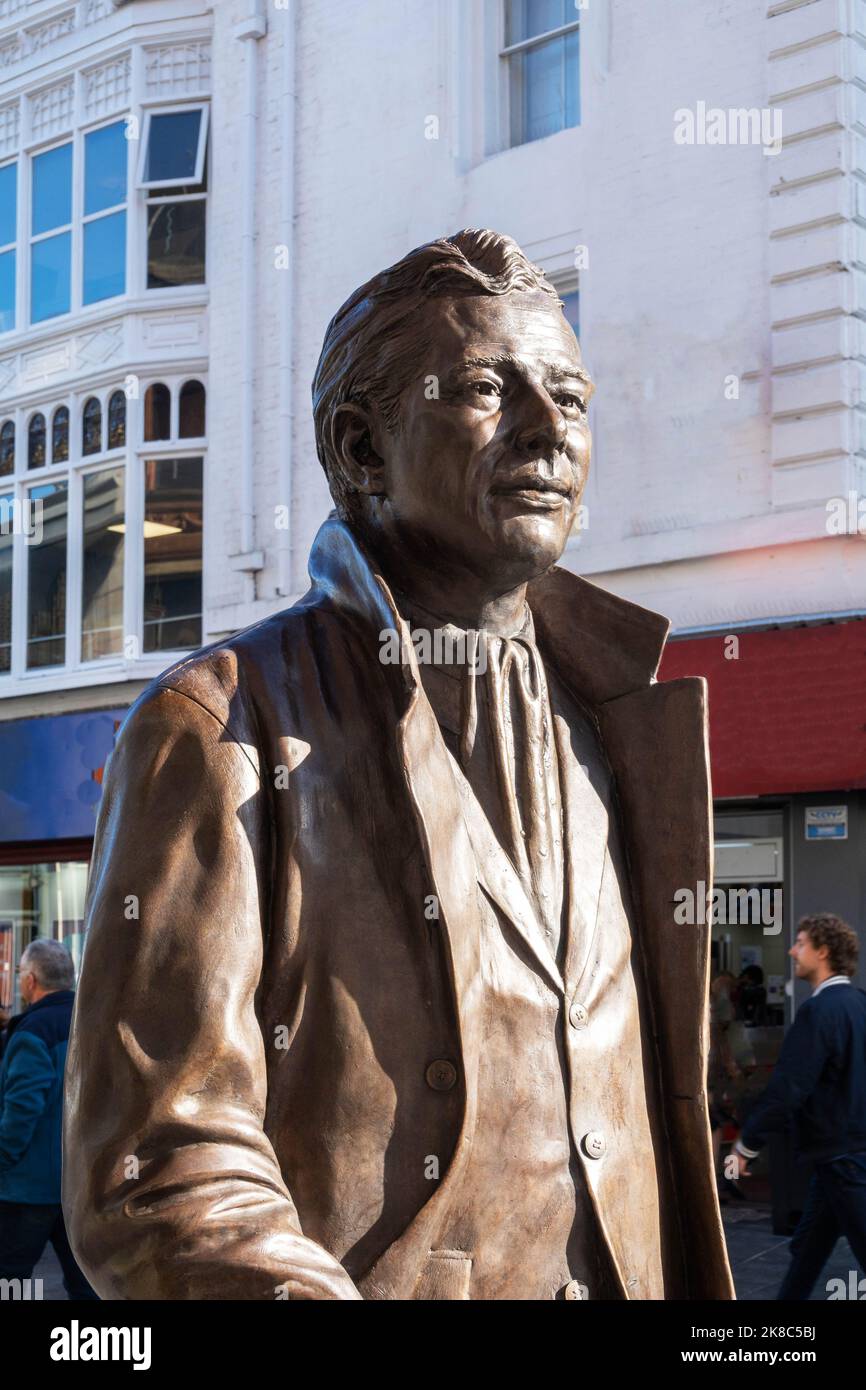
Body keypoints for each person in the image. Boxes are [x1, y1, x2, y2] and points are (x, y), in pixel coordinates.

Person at [64, 229, 734, 1301]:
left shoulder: (619, 721)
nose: (548, 428)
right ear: (361, 447)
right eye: (483, 387)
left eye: (569, 393)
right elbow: (161, 1165)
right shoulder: (220, 724)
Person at [729, 913, 866, 1300]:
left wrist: (746, 1145)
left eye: (801, 942)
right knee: (806, 1252)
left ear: (823, 952)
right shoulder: (859, 1004)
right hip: (839, 1158)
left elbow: (788, 1089)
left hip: (843, 1158)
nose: (792, 950)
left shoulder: (818, 1013)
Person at [0, 940, 97, 1299]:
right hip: (79, 1187)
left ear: (31, 980)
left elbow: (23, 1108)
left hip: (29, 1188)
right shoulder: (92, 1025)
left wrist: (4, 1158)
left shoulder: (32, 1032)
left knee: (12, 1280)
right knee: (84, 1282)